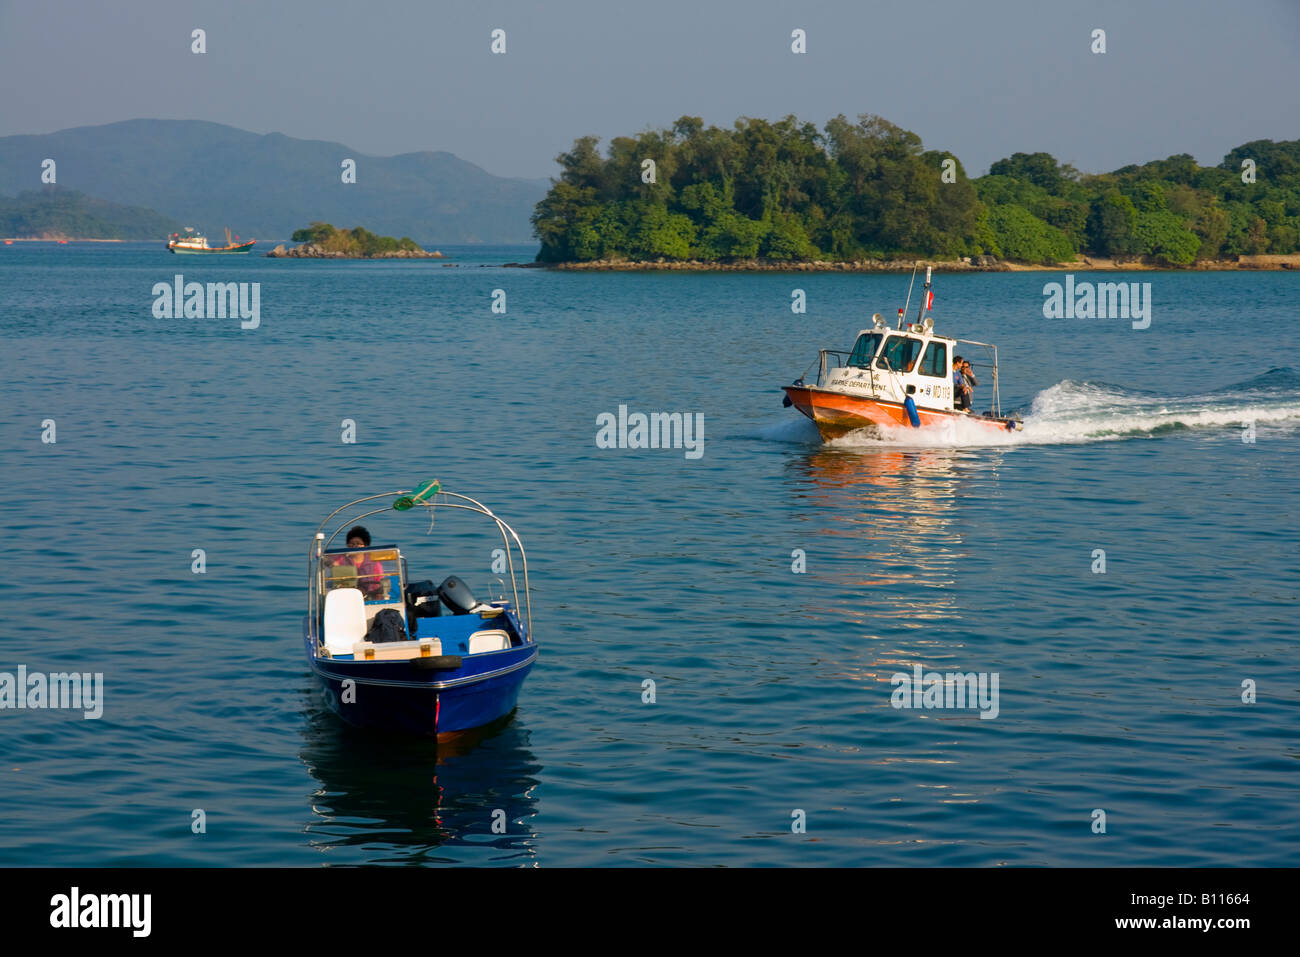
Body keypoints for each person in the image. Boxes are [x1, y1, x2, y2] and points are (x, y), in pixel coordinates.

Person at [328, 525, 388, 599]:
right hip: (346, 596)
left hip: (370, 596)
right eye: (351, 543)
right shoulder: (341, 558)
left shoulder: (374, 563)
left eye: (358, 543)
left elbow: (380, 582)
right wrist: (333, 564)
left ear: (366, 545)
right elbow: (321, 556)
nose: (354, 546)